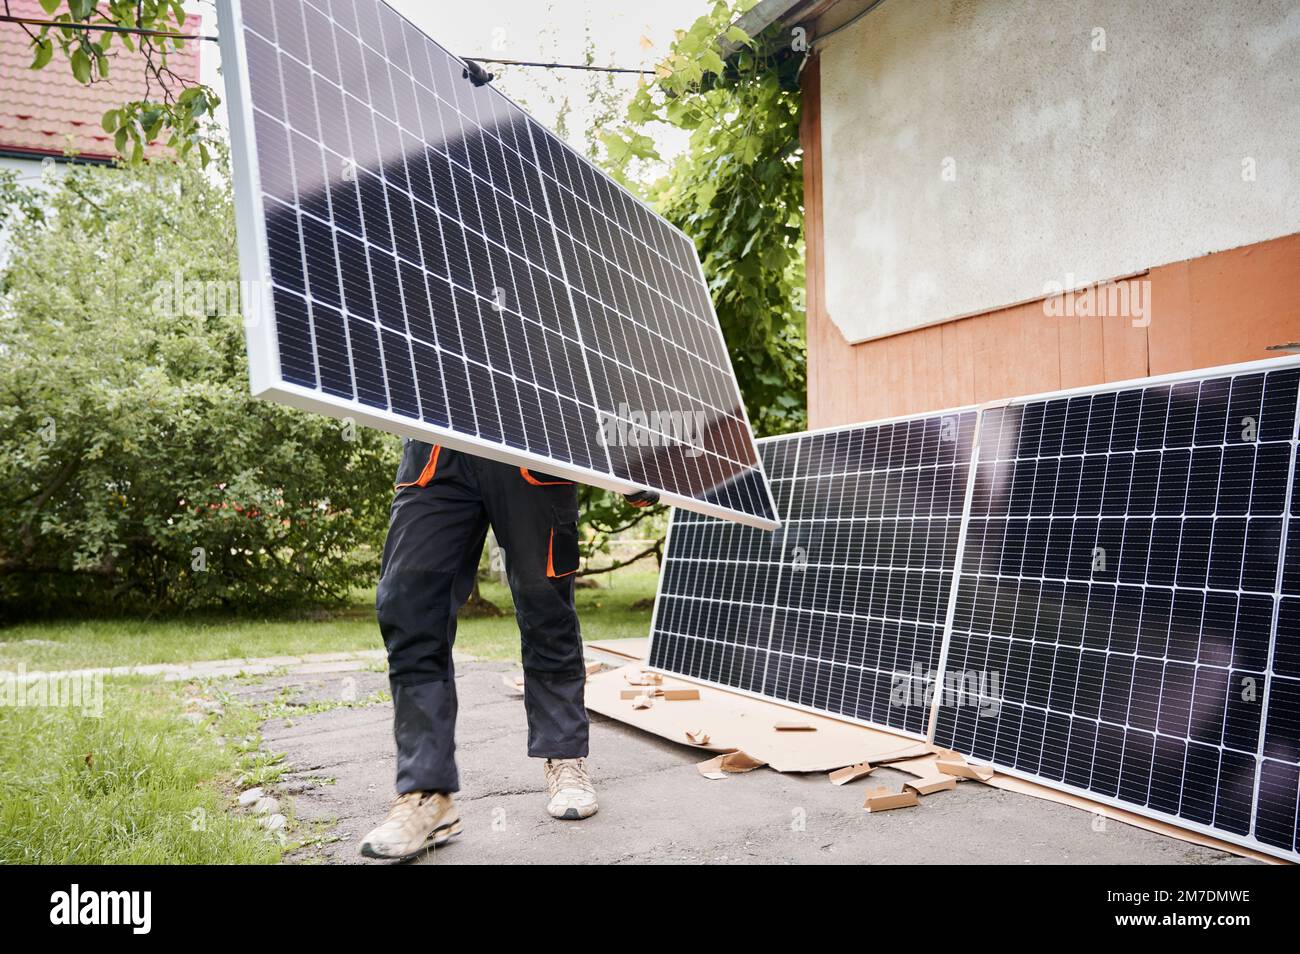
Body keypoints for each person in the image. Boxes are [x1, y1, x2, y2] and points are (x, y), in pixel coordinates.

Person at [358, 438, 656, 860]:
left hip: (533, 441)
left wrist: (626, 458)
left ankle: (565, 757)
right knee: (407, 604)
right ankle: (426, 792)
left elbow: (598, 372)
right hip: (436, 445)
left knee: (545, 604)